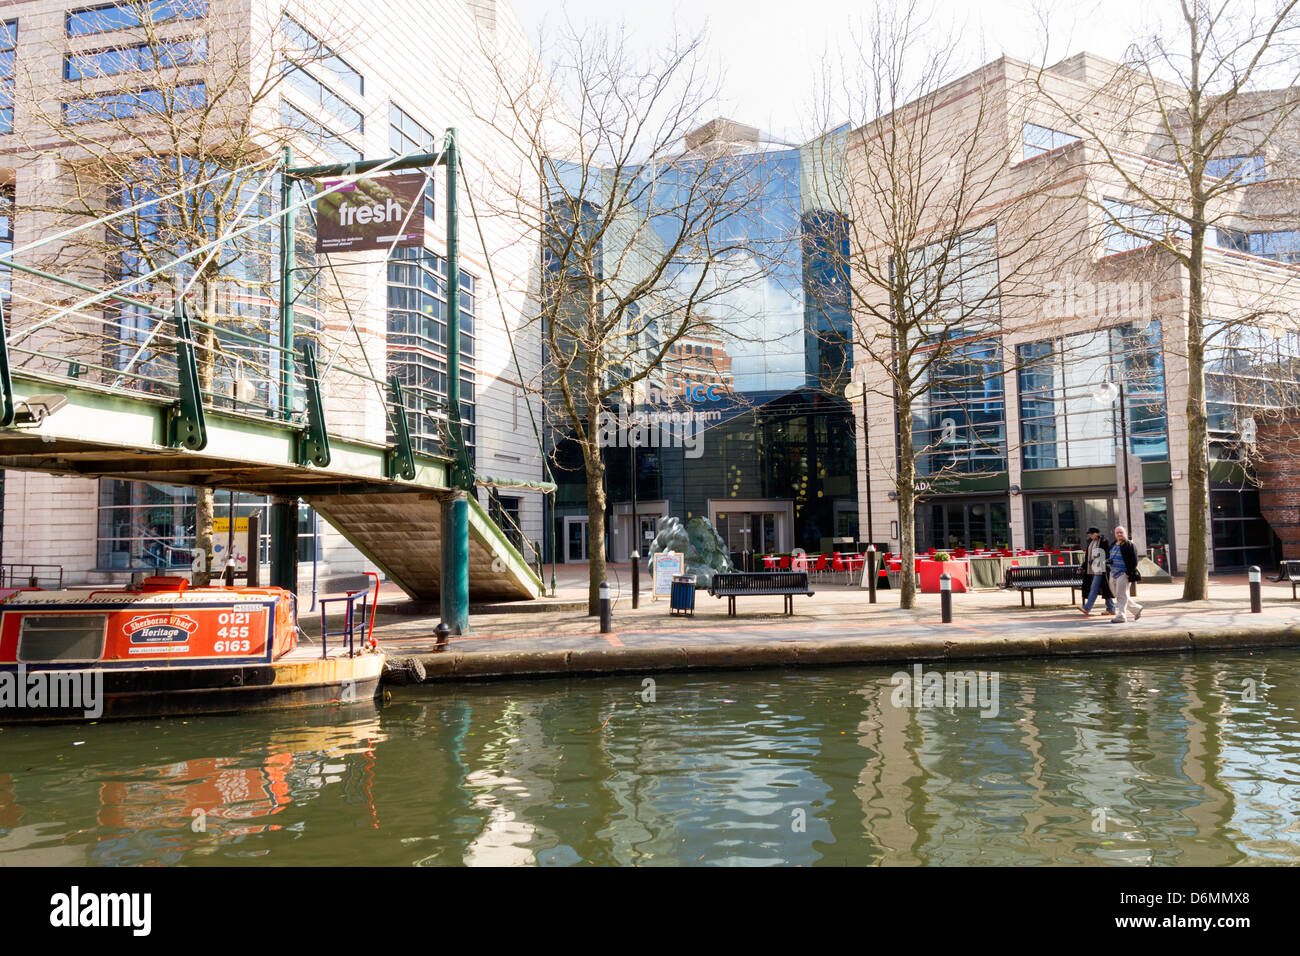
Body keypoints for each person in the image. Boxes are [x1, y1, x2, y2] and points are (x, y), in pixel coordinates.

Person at [1110, 525, 1143, 623]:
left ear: (1125, 533)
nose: (1119, 534)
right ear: (1115, 534)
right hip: (1113, 573)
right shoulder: (1113, 544)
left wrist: (1128, 572)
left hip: (1123, 573)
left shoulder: (1129, 544)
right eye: (1117, 532)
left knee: (1121, 595)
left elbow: (1134, 560)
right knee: (1117, 594)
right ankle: (1136, 609)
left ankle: (1121, 616)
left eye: (1121, 532)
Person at [1079, 527, 1115, 617]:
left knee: (1094, 588)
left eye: (1091, 534)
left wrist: (1097, 560)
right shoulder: (1091, 542)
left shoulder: (1103, 541)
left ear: (1096, 533)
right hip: (1093, 569)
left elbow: (1107, 554)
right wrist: (1082, 566)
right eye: (1089, 534)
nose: (1090, 535)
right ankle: (1111, 609)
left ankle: (1087, 608)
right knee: (1105, 589)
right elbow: (1088, 556)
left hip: (1101, 569)